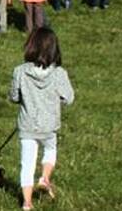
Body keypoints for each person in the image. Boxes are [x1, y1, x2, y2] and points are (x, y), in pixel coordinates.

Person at [10, 28, 75, 210]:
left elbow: (14, 96)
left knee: (27, 163)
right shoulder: (59, 74)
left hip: (27, 125)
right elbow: (69, 98)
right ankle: (45, 177)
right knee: (50, 150)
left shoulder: (20, 72)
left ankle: (27, 202)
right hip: (49, 126)